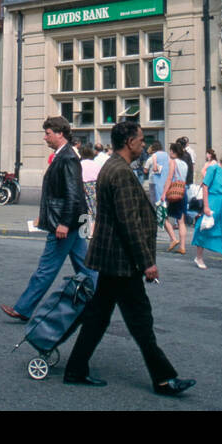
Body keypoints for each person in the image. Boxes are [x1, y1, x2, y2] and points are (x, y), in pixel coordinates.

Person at [62, 119, 195, 396]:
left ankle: (75, 368)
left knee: (99, 316)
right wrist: (147, 261)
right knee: (140, 320)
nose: (143, 144)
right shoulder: (120, 172)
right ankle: (163, 379)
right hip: (122, 260)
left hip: (112, 258)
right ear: (129, 142)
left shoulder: (115, 167)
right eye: (141, 139)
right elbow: (128, 222)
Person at [0, 116, 92, 322]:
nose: (45, 137)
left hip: (64, 223)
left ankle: (24, 308)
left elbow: (72, 193)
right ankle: (100, 303)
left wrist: (64, 223)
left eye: (48, 133)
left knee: (47, 268)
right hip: (71, 222)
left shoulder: (67, 157)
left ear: (60, 133)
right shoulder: (65, 155)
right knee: (85, 267)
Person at [161, 141, 189, 254]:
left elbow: (169, 178)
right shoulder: (185, 164)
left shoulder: (172, 162)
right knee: (181, 221)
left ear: (173, 152)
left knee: (163, 216)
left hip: (174, 191)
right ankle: (182, 246)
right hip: (183, 191)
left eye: (170, 151)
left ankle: (173, 238)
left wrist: (164, 193)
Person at [79, 143, 101, 227]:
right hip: (95, 186)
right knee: (96, 208)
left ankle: (88, 229)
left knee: (87, 209)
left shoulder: (80, 165)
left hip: (84, 186)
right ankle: (95, 228)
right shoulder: (96, 164)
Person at [145, 142, 169, 208]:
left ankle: (157, 211)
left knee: (154, 196)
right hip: (165, 179)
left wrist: (156, 168)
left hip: (156, 179)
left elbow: (155, 168)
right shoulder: (166, 154)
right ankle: (165, 211)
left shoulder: (154, 155)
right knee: (164, 195)